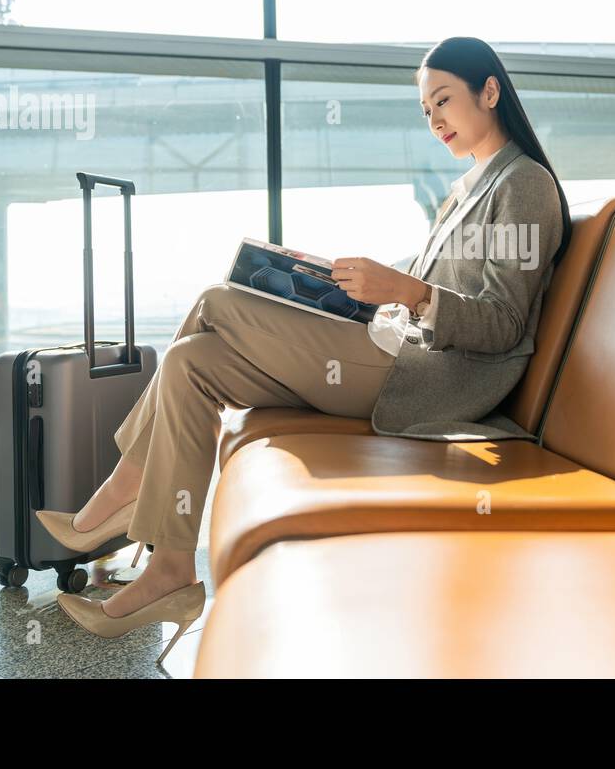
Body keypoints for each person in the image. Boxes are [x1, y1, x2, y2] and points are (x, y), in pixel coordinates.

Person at [36, 36, 571, 659]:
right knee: (189, 364)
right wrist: (349, 289)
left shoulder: (524, 184)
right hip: (390, 345)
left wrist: (407, 290)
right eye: (426, 112)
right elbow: (422, 297)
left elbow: (503, 323)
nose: (436, 122)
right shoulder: (463, 190)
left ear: (490, 91)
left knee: (216, 300)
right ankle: (170, 573)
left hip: (429, 378)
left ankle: (126, 484)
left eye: (444, 101)